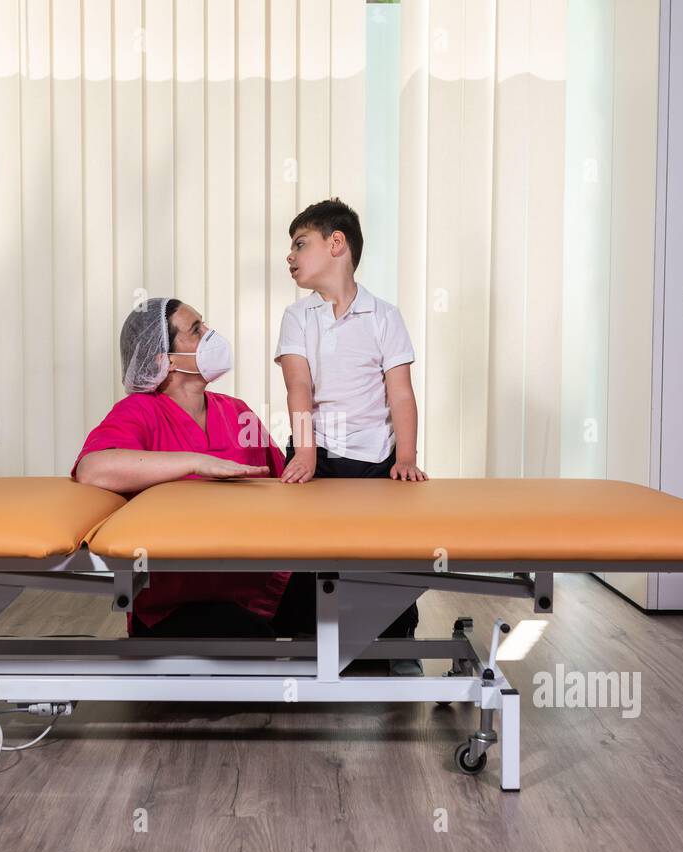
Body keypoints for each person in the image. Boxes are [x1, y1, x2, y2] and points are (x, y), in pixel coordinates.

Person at [73, 297, 314, 638]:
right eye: (196, 330)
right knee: (250, 638)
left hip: (257, 589)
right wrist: (198, 462)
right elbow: (93, 469)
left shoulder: (236, 411)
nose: (210, 334)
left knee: (337, 602)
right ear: (165, 360)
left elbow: (282, 485)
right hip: (174, 603)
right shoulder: (139, 412)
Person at [274, 198, 424, 670]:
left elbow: (400, 395)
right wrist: (305, 451)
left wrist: (405, 456)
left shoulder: (384, 316)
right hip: (317, 453)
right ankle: (305, 637)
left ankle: (399, 640)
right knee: (309, 549)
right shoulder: (298, 318)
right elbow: (299, 387)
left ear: (336, 243)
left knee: (389, 550)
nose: (290, 256)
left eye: (300, 244)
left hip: (375, 458)